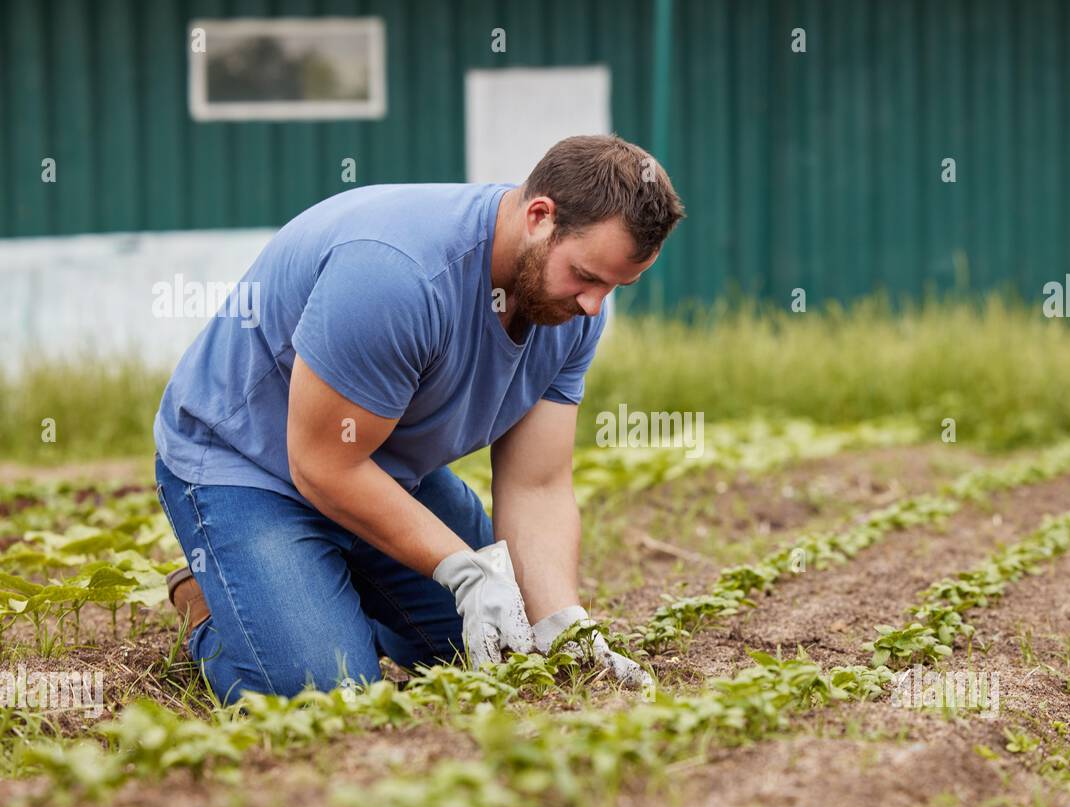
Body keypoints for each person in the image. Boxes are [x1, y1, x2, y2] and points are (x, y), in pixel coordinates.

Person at [152, 134, 686, 706]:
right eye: (586, 275)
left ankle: (326, 591)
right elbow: (322, 463)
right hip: (251, 468)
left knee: (511, 650)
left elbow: (538, 483)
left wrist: (564, 625)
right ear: (539, 216)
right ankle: (217, 607)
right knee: (327, 695)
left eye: (614, 287)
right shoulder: (395, 276)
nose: (593, 306)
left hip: (383, 469)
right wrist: (461, 570)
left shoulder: (572, 312)